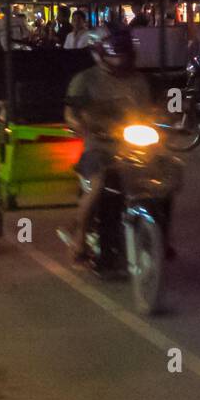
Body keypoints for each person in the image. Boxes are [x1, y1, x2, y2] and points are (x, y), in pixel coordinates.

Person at [60, 29, 158, 263]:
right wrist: (82, 126)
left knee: (164, 179)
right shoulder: (85, 80)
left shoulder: (139, 80)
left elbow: (149, 112)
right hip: (99, 146)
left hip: (133, 145)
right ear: (102, 56)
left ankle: (159, 235)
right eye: (116, 56)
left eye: (125, 56)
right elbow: (71, 114)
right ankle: (79, 237)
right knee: (100, 181)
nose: (120, 61)